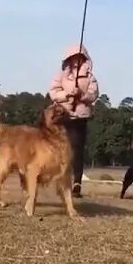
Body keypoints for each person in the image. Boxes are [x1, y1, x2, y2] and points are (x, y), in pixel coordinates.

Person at [48, 44, 100, 197]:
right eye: (73, 57)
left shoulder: (90, 77)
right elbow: (53, 92)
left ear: (84, 58)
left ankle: (77, 182)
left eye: (79, 57)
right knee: (61, 149)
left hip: (80, 116)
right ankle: (61, 181)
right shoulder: (61, 75)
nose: (76, 60)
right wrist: (66, 94)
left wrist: (81, 95)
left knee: (77, 149)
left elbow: (94, 93)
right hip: (63, 115)